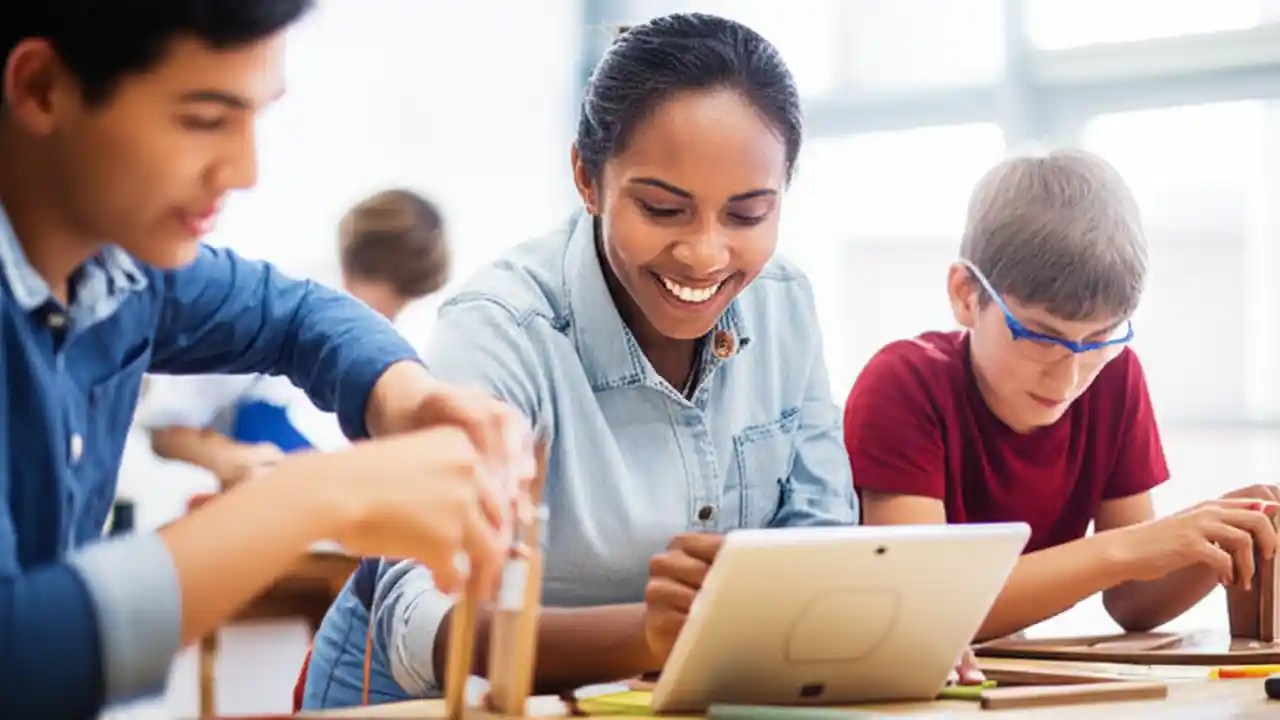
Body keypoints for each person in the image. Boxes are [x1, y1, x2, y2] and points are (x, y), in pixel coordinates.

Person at [301, 12, 862, 709]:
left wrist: (869, 627)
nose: (705, 253)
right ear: (587, 180)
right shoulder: (500, 328)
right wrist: (655, 633)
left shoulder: (785, 303)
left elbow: (820, 528)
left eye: (747, 216)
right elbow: (418, 618)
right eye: (662, 208)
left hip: (650, 697)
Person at [0, 3, 529, 717]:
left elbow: (295, 315)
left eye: (258, 117)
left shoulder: (126, 274)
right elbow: (19, 657)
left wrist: (406, 394)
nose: (246, 170)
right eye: (205, 120)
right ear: (40, 89)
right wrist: (321, 493)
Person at [843, 149, 1280, 640]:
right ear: (966, 295)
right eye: (1039, 336)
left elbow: (1132, 602)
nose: (1069, 377)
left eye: (1098, 340)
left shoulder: (1116, 377)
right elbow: (925, 607)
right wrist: (1130, 547)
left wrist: (1208, 538)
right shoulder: (904, 382)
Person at [140, 189, 451, 486]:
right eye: (394, 302)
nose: (391, 318)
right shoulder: (261, 313)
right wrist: (232, 460)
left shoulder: (390, 352)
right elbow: (166, 427)